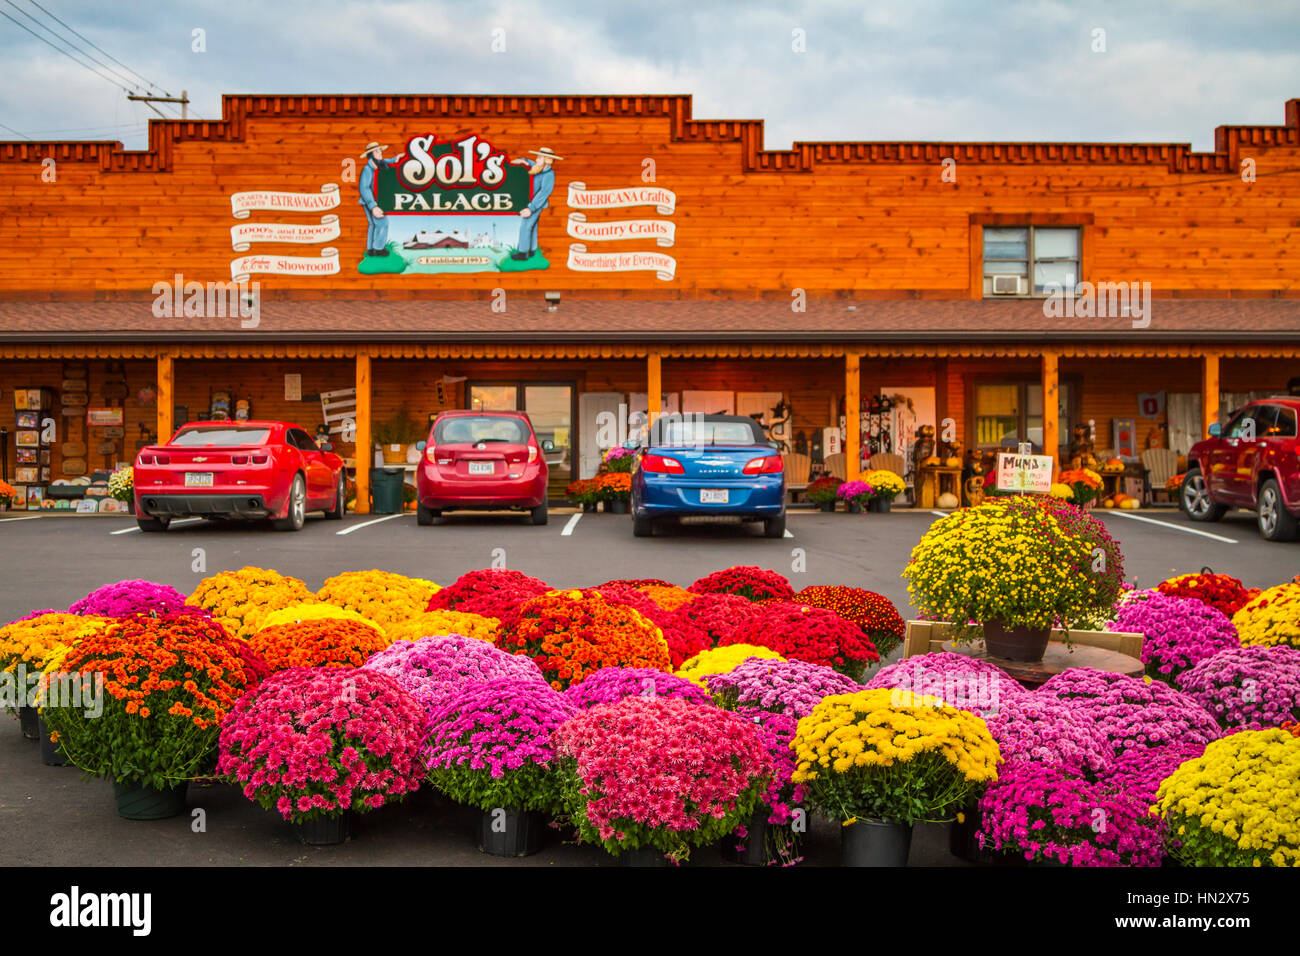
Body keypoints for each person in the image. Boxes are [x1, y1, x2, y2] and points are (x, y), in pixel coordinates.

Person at [510, 147, 563, 260]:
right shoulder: (537, 167)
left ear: (546, 160)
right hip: (531, 202)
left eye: (539, 157)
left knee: (526, 225)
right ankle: (532, 249)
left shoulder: (549, 175)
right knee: (532, 226)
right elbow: (529, 162)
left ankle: (523, 252)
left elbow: (543, 193)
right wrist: (523, 160)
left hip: (536, 204)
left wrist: (531, 208)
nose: (537, 159)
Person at [358, 141, 397, 257]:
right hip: (371, 201)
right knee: (382, 223)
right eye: (376, 151)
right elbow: (364, 188)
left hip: (375, 200)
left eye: (380, 150)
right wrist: (373, 205)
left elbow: (388, 161)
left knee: (373, 224)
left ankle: (370, 249)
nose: (380, 153)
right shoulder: (367, 170)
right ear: (371, 155)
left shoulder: (379, 164)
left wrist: (396, 159)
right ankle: (378, 249)